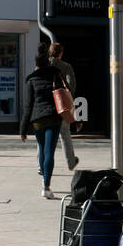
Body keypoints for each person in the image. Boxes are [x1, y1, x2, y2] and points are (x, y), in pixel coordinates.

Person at [19, 50, 65, 199]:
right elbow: (67, 95)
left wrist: (23, 129)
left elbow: (28, 106)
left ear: (36, 64)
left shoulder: (32, 80)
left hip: (37, 119)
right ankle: (46, 186)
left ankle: (44, 181)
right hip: (53, 117)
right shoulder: (56, 74)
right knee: (49, 151)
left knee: (41, 148)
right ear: (48, 62)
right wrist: (76, 119)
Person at [48, 41, 79, 172]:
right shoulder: (66, 66)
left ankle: (41, 164)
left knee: (45, 136)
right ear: (61, 53)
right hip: (61, 105)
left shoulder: (42, 66)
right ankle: (71, 162)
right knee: (65, 134)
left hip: (46, 106)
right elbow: (72, 85)